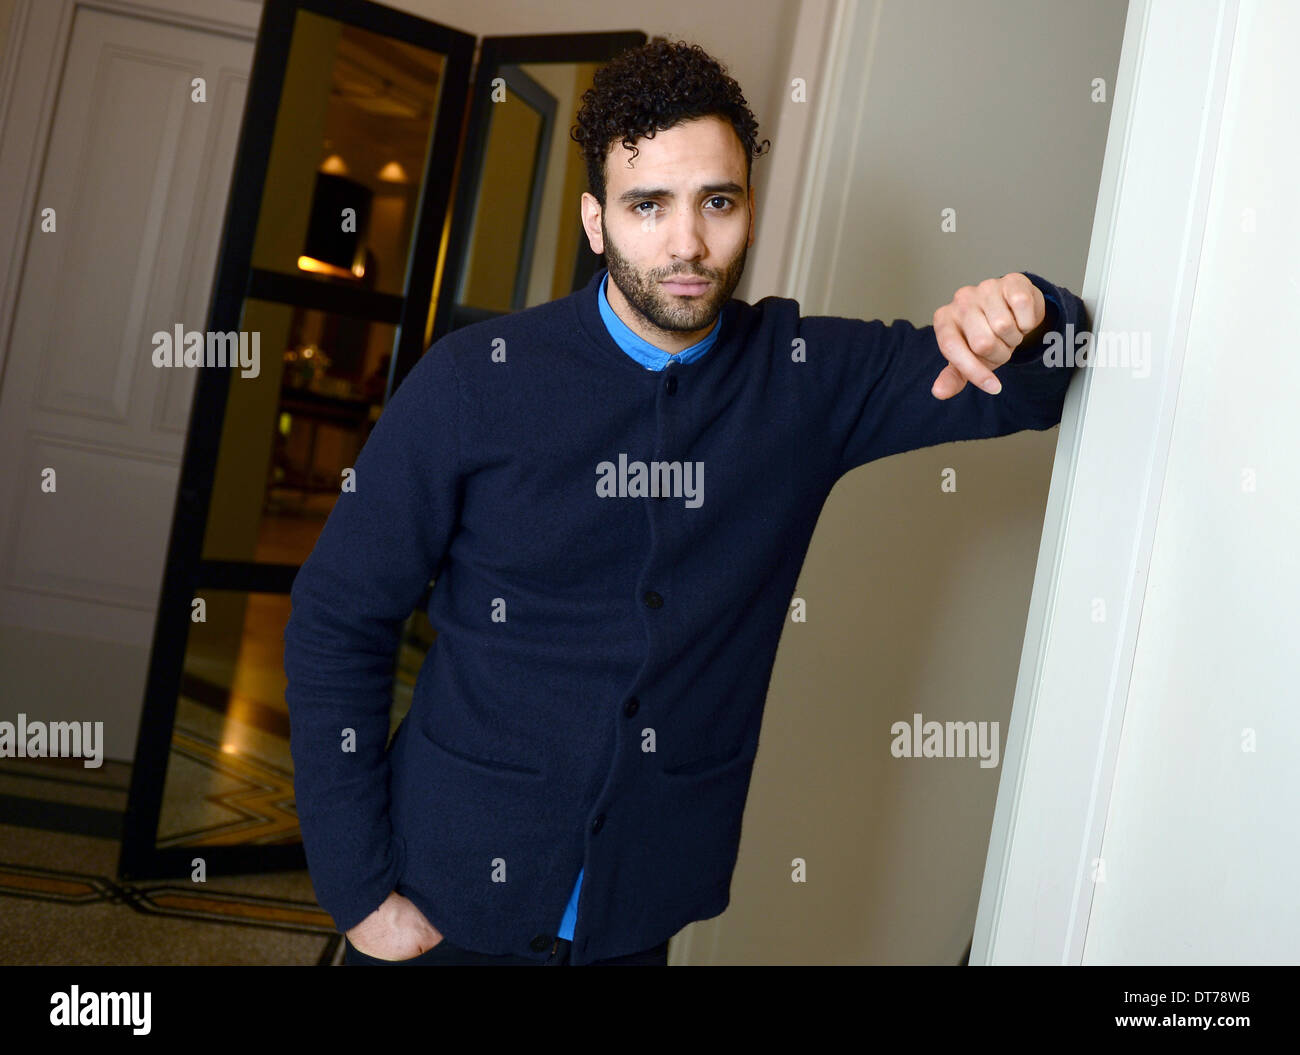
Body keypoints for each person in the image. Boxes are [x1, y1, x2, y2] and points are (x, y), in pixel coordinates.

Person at [282, 38, 1090, 967]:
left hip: (639, 913)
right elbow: (338, 617)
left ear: (747, 205)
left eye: (717, 201)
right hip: (442, 898)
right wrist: (357, 889)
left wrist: (1032, 311)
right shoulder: (475, 382)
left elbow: (1032, 389)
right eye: (646, 205)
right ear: (596, 222)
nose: (687, 245)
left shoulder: (804, 376)